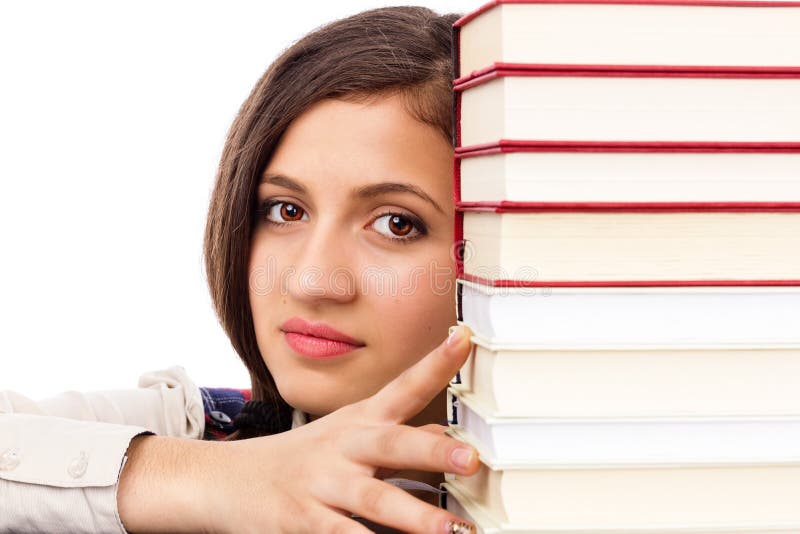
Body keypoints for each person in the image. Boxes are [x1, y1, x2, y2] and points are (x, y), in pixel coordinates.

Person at [0, 6, 480, 533]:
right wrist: (226, 480)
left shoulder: (568, 494)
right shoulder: (195, 433)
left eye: (395, 223)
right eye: (286, 210)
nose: (311, 281)